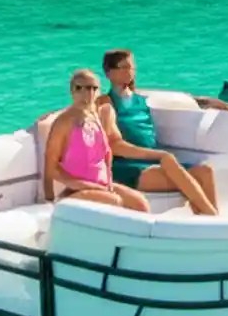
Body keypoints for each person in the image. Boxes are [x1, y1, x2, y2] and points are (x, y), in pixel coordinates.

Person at [97, 49, 228, 216]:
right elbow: (113, 145)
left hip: (155, 161)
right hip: (127, 166)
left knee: (205, 172)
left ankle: (208, 222)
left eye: (131, 67)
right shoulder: (105, 103)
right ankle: (213, 219)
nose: (129, 72)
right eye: (123, 67)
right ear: (109, 72)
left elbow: (195, 100)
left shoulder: (140, 99)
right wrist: (157, 155)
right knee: (190, 180)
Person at [43, 69, 149, 212]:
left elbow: (106, 156)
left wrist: (109, 183)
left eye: (93, 88)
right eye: (80, 88)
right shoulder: (64, 122)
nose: (88, 93)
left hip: (102, 184)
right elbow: (51, 166)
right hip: (76, 191)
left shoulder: (96, 117)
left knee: (141, 204)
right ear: (72, 91)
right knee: (114, 201)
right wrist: (49, 200)